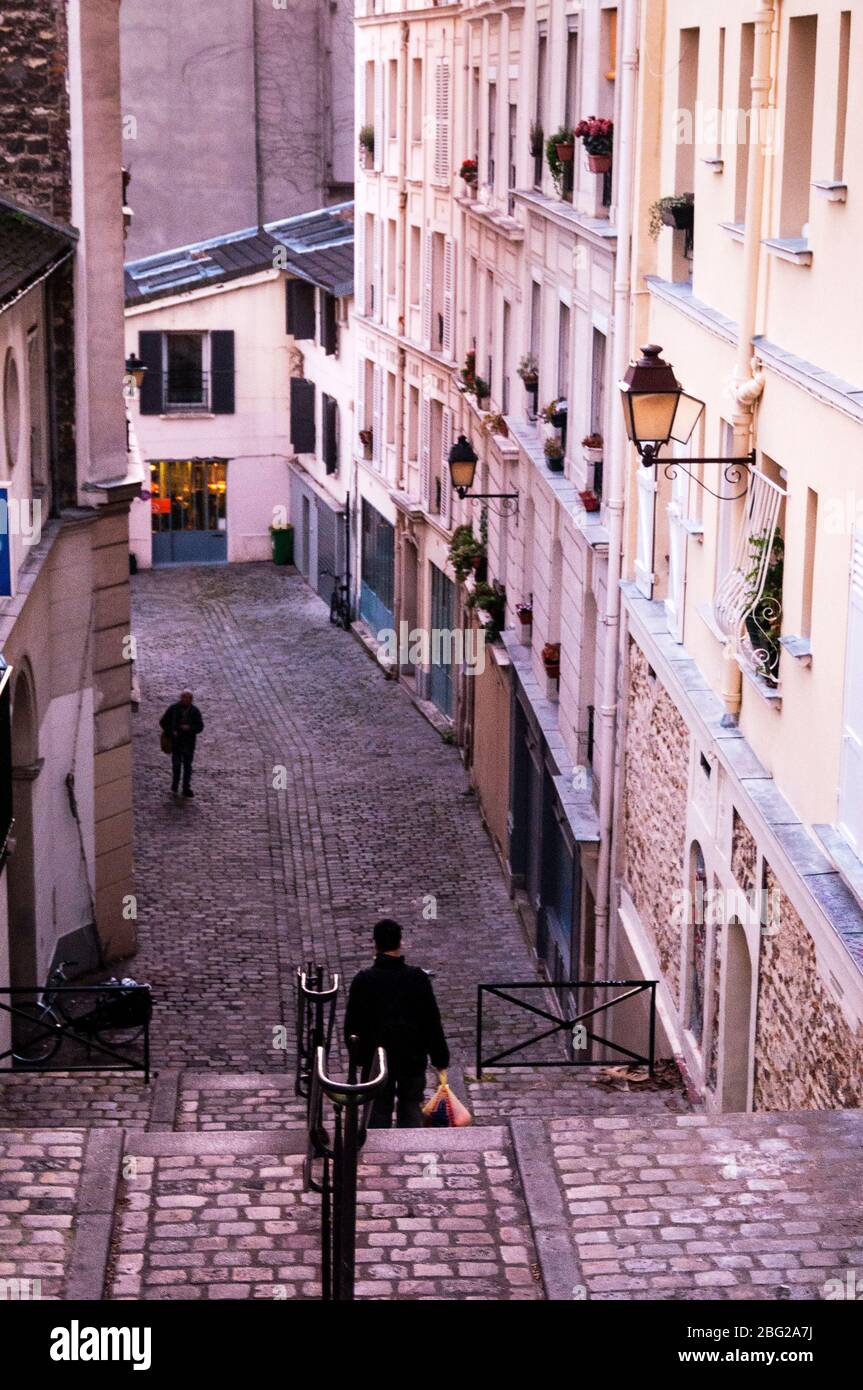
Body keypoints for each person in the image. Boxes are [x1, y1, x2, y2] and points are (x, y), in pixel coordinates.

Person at [344, 918, 449, 1128]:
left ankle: (380, 1153)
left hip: (377, 1058)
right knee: (411, 1106)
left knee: (378, 1109)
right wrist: (440, 1057)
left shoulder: (364, 980)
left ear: (374, 944)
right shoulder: (417, 978)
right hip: (412, 1055)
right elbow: (431, 1020)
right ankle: (410, 1149)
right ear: (400, 943)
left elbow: (352, 1024)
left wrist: (359, 1057)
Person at [160, 690, 204, 798]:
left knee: (187, 766)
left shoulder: (195, 711)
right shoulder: (173, 709)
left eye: (188, 698)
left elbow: (200, 727)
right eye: (184, 697)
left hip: (189, 743)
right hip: (176, 742)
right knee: (176, 765)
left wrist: (190, 728)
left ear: (191, 700)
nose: (185, 700)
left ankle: (186, 787)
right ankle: (175, 784)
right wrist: (171, 731)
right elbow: (163, 722)